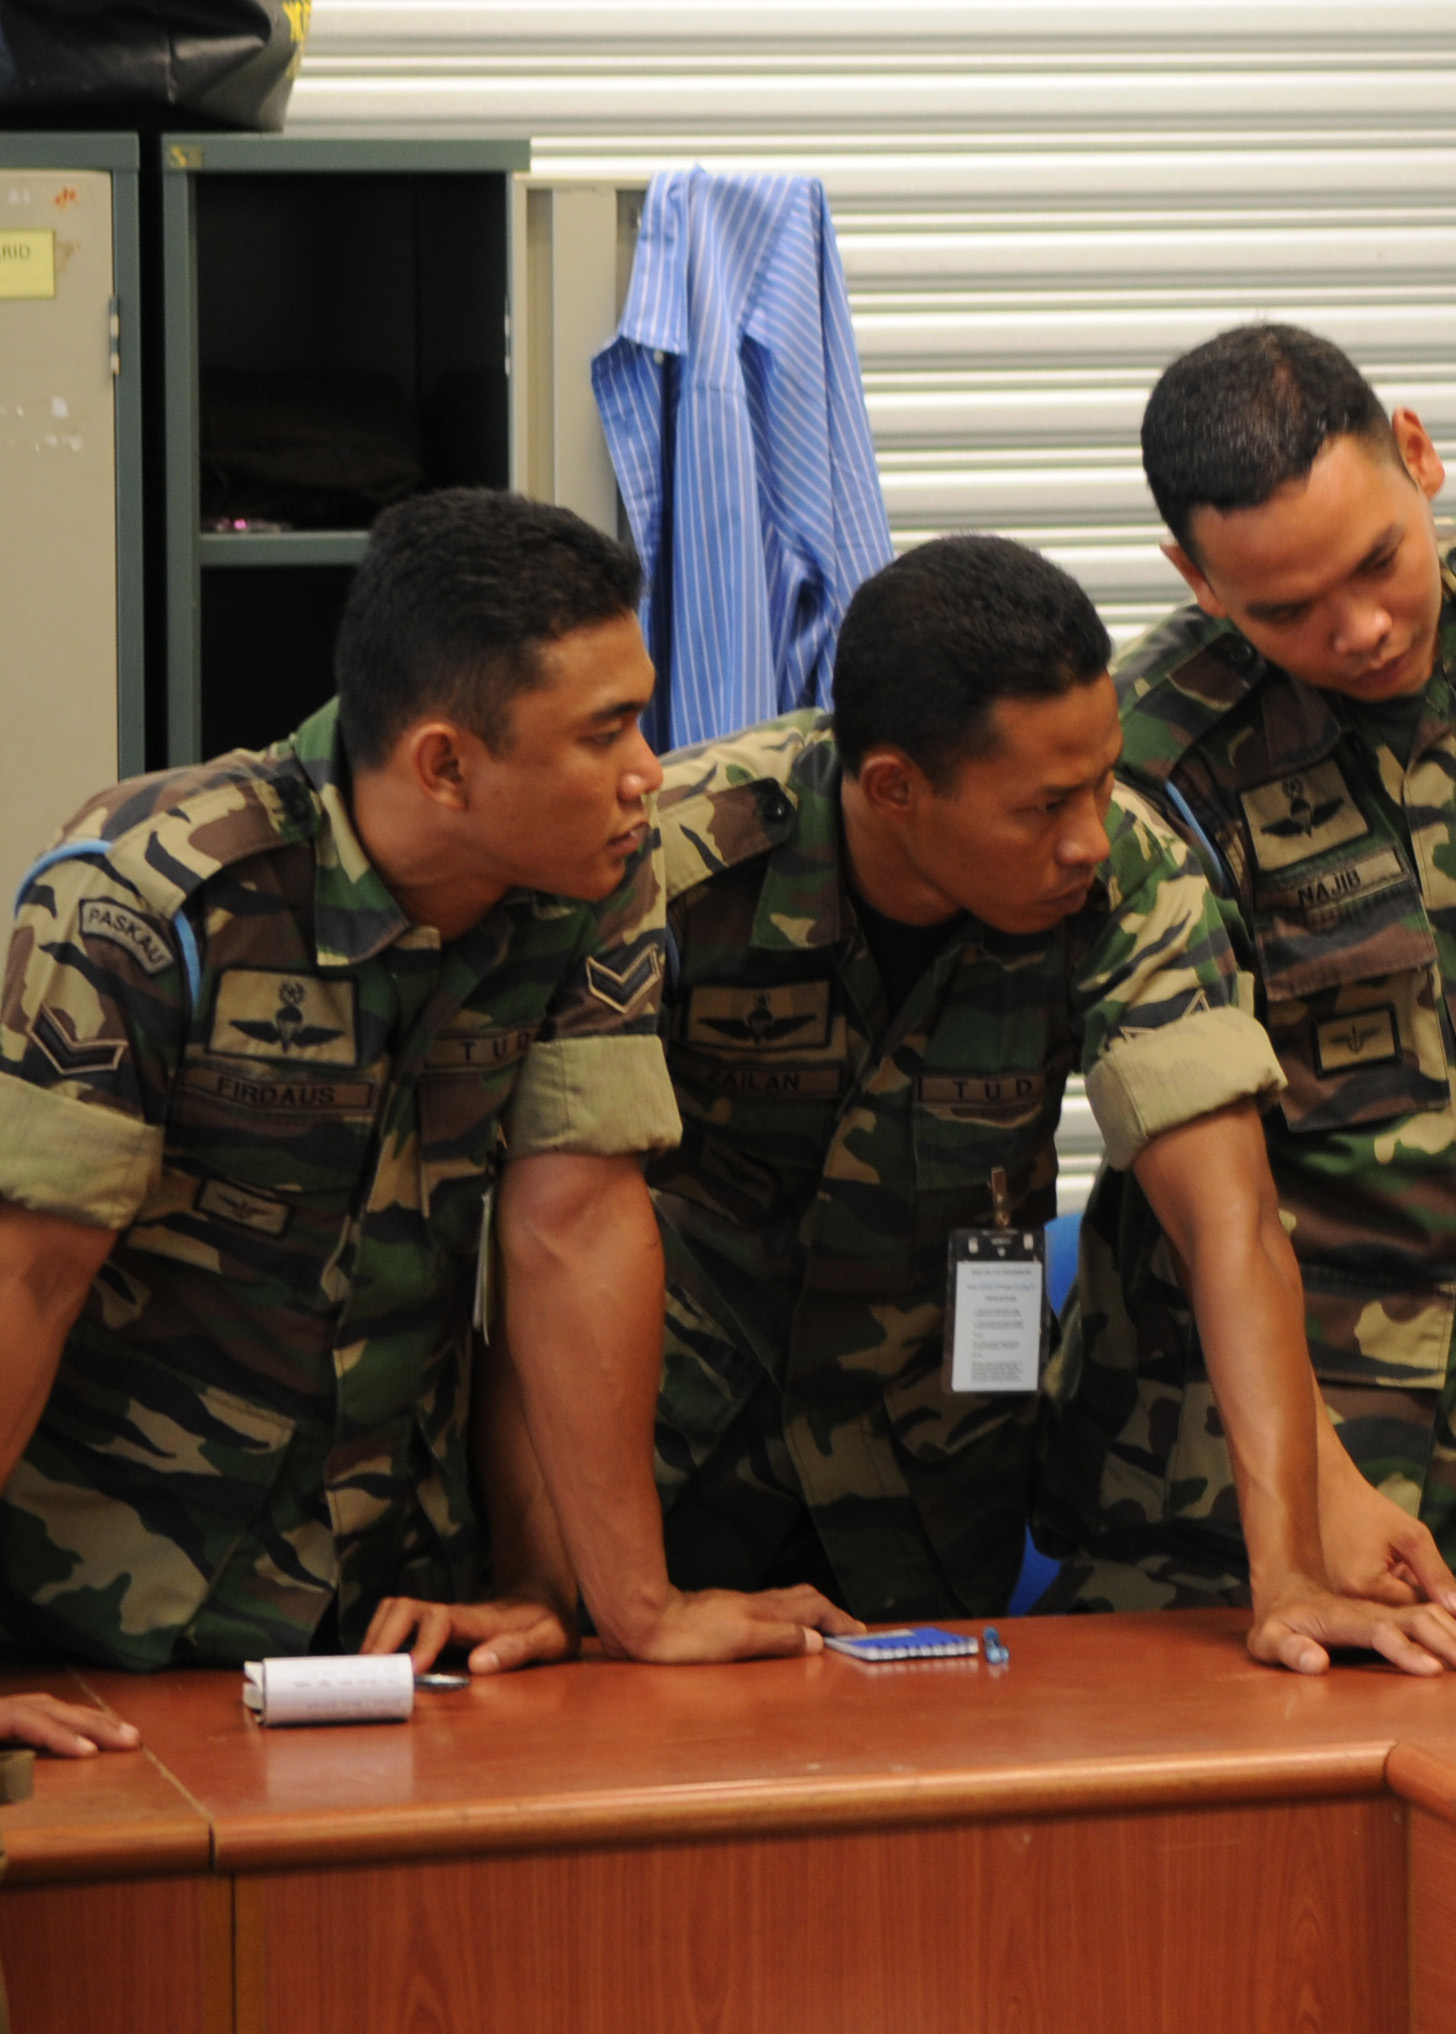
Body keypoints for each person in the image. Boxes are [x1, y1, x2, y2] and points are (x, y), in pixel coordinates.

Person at [0, 489, 849, 1751]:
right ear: (447, 763)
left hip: (389, 1622)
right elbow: (27, 1275)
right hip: (91, 1624)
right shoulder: (152, 891)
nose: (647, 774)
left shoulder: (593, 892)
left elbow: (574, 1231)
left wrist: (626, 1603)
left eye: (644, 718)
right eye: (605, 731)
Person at [613, 536, 1456, 1676]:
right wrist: (560, 1576)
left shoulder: (1129, 873)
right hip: (670, 1461)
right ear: (894, 789)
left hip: (926, 1474)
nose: (1089, 834)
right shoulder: (678, 860)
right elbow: (549, 1223)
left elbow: (1226, 1220)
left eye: (1101, 777)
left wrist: (1293, 1569)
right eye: (1042, 806)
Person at [1043, 323, 1456, 1606]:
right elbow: (1207, 1181)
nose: (1357, 629)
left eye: (1378, 563)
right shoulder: (1152, 755)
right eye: (1284, 611)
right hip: (1228, 1480)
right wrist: (1316, 1487)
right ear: (1197, 581)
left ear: (1418, 456)